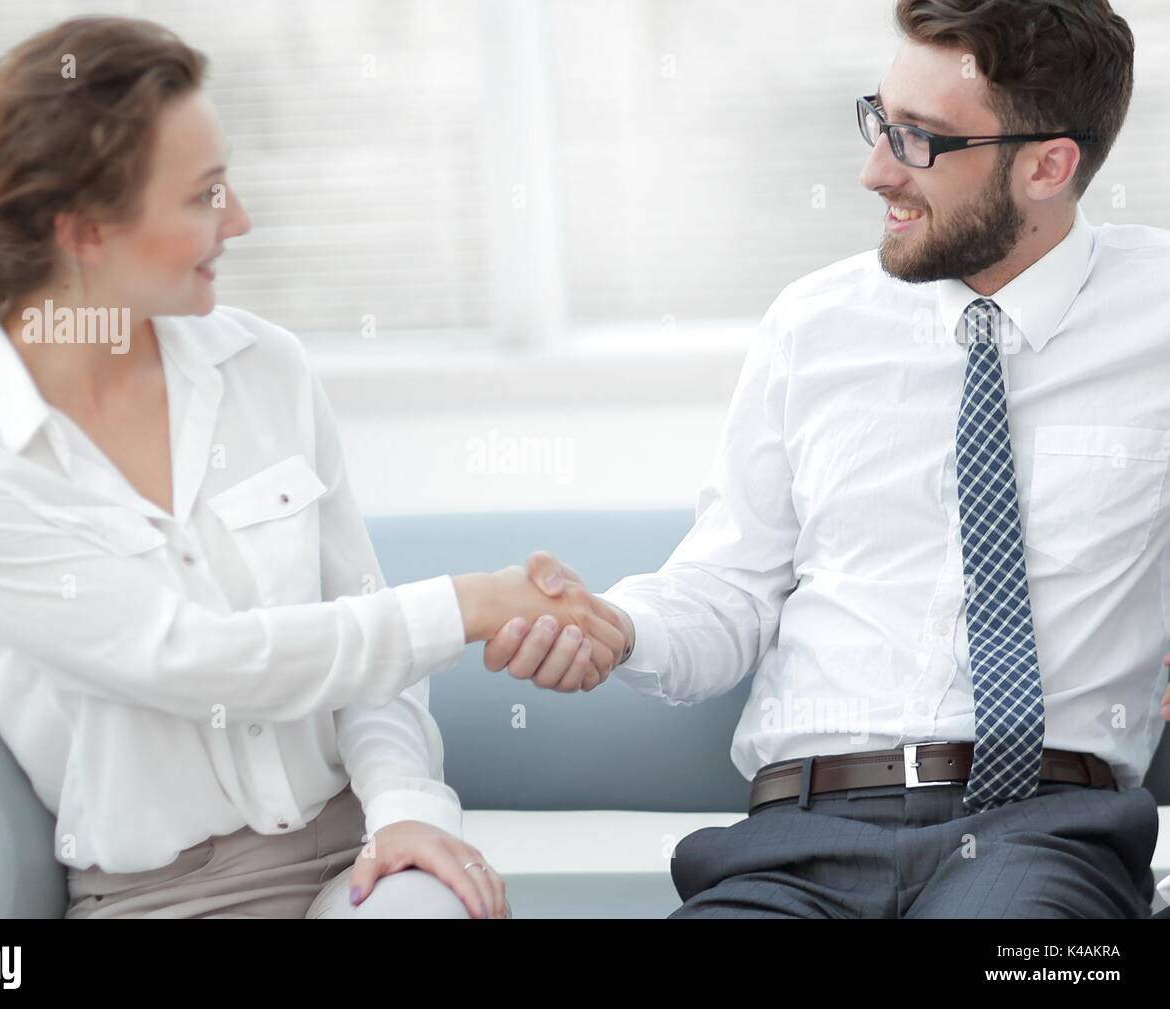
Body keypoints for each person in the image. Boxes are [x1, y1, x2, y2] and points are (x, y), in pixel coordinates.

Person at [0, 15, 625, 919]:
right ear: (83, 231)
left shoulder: (264, 366)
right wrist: (467, 602)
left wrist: (404, 810)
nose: (241, 219)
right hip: (160, 897)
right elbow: (188, 658)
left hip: (357, 858)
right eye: (204, 195)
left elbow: (365, 655)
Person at [490, 0, 1169, 918]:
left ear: (1049, 165)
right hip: (797, 835)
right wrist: (617, 624)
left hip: (1046, 837)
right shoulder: (815, 324)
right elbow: (727, 589)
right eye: (880, 120)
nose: (875, 170)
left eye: (921, 141)